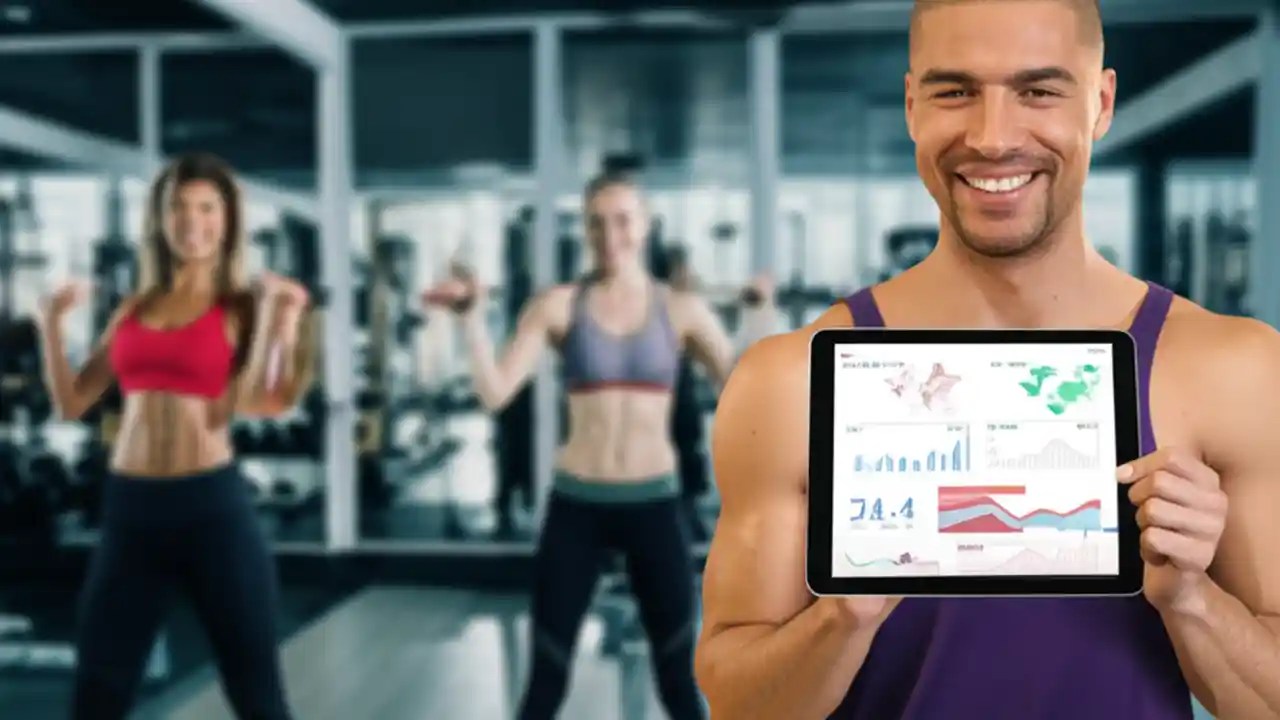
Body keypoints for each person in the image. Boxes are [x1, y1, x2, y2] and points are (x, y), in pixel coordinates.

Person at [694, 1, 1280, 719]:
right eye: (955, 91)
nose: (992, 136)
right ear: (912, 106)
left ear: (1099, 104)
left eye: (1038, 90)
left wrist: (1190, 597)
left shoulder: (1235, 371)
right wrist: (840, 617)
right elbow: (736, 705)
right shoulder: (791, 383)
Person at [422, 171, 778, 720]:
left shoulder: (680, 309)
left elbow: (745, 395)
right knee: (545, 682)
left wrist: (758, 315)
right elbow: (495, 393)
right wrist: (470, 321)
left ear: (646, 226)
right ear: (584, 230)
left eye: (622, 220)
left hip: (655, 505)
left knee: (679, 682)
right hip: (577, 507)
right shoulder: (558, 306)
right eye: (596, 222)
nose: (610, 235)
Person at [36, 152, 313, 720]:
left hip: (211, 506)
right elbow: (73, 402)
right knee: (98, 691)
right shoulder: (134, 307)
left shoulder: (241, 305)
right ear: (161, 221)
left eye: (207, 208)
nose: (193, 222)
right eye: (179, 209)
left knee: (256, 693)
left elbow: (260, 400)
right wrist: (49, 325)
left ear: (228, 219)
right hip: (131, 509)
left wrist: (282, 327)